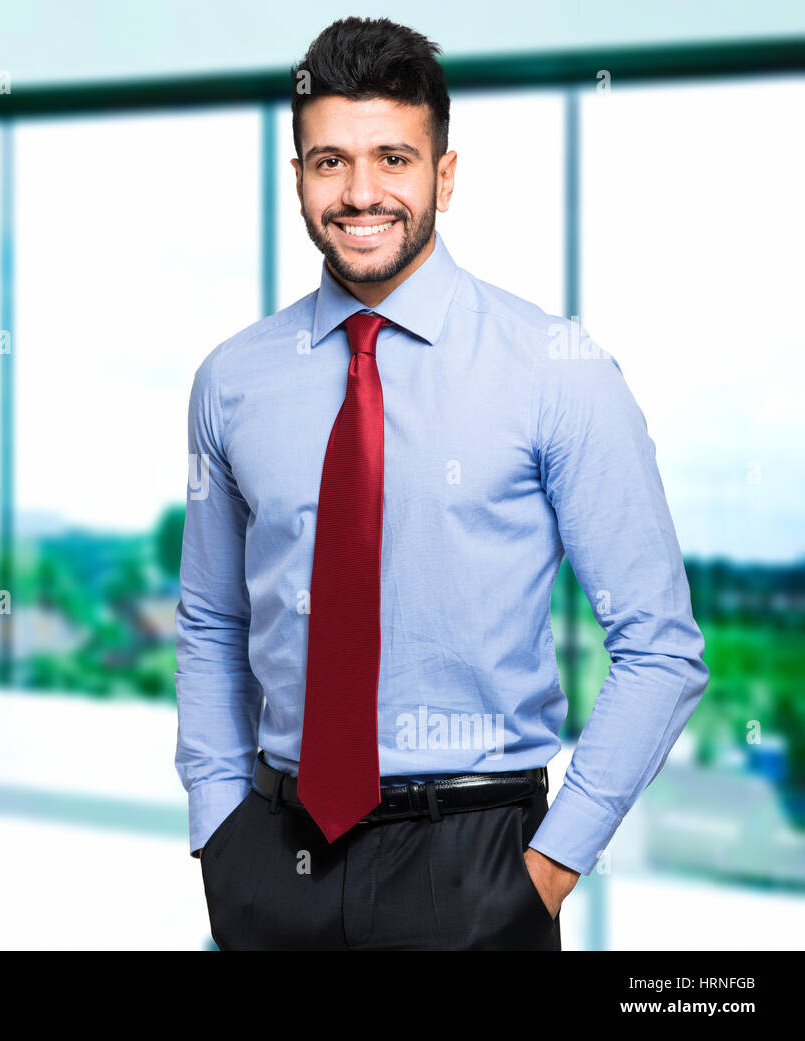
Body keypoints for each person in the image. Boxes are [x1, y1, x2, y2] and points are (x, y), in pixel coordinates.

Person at [173, 15, 708, 951]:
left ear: (444, 176)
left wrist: (542, 872)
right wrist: (221, 826)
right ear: (296, 177)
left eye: (394, 157)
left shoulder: (556, 370)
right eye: (330, 161)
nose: (363, 192)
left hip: (477, 863)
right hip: (272, 860)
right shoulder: (232, 380)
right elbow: (211, 621)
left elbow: (660, 648)